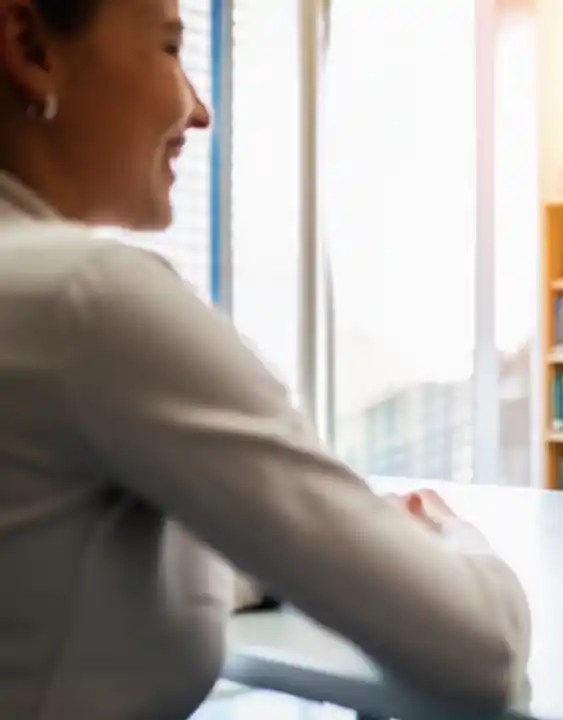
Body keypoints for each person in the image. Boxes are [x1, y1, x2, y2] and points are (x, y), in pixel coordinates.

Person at [0, 1, 529, 718]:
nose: (200, 109)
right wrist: (449, 535)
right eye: (168, 47)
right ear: (30, 43)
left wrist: (281, 556)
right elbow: (482, 649)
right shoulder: (88, 300)